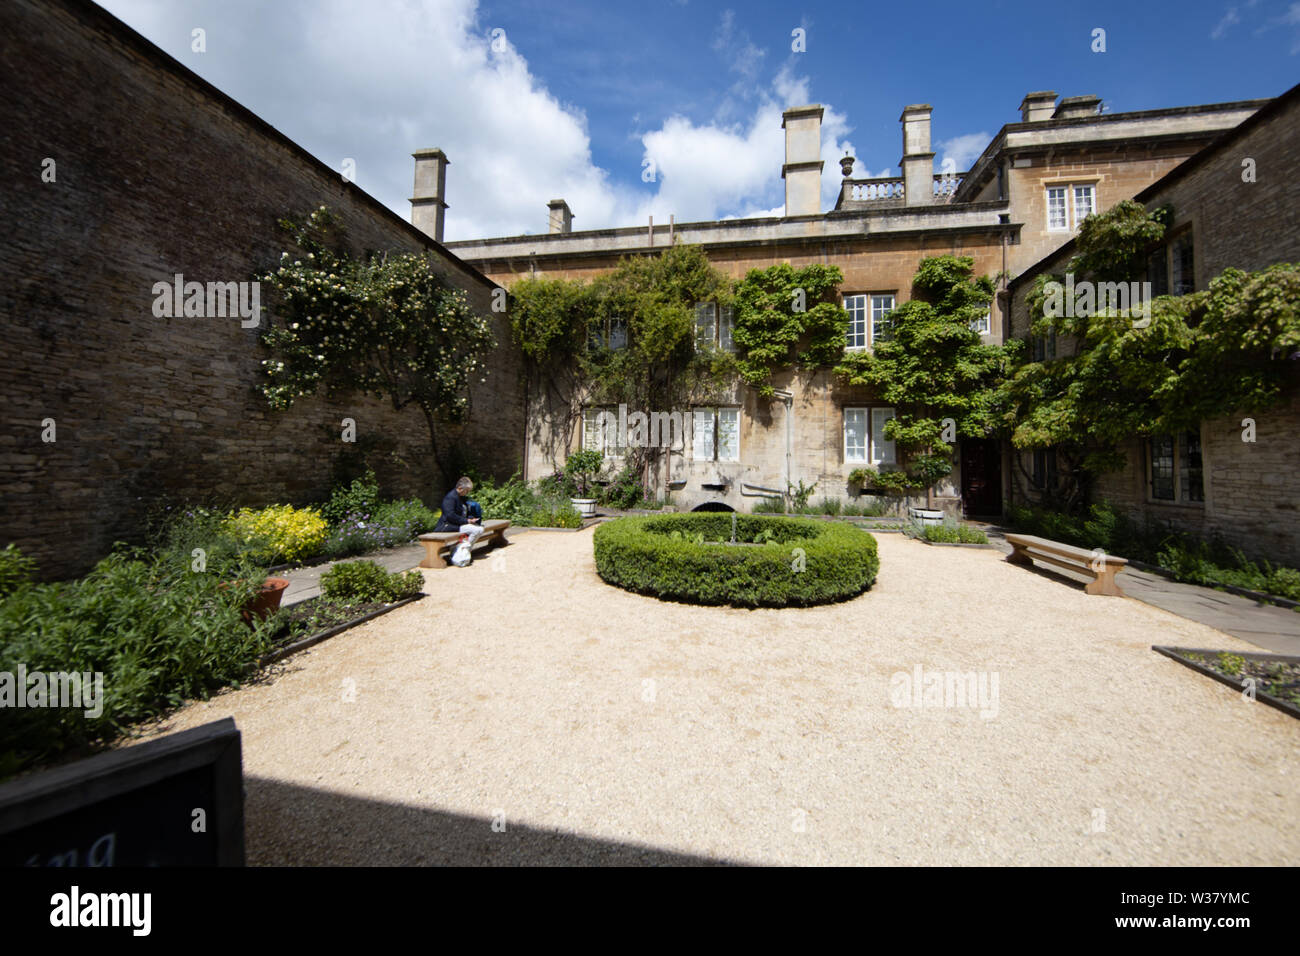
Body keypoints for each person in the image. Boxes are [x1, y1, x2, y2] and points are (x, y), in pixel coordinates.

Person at [434, 476, 485, 557]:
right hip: (447, 526)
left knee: (480, 529)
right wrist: (467, 521)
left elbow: (464, 512)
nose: (467, 493)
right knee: (476, 530)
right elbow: (450, 516)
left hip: (457, 524)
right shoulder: (450, 498)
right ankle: (461, 551)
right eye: (467, 491)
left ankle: (461, 550)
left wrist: (471, 518)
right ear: (460, 488)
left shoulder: (460, 497)